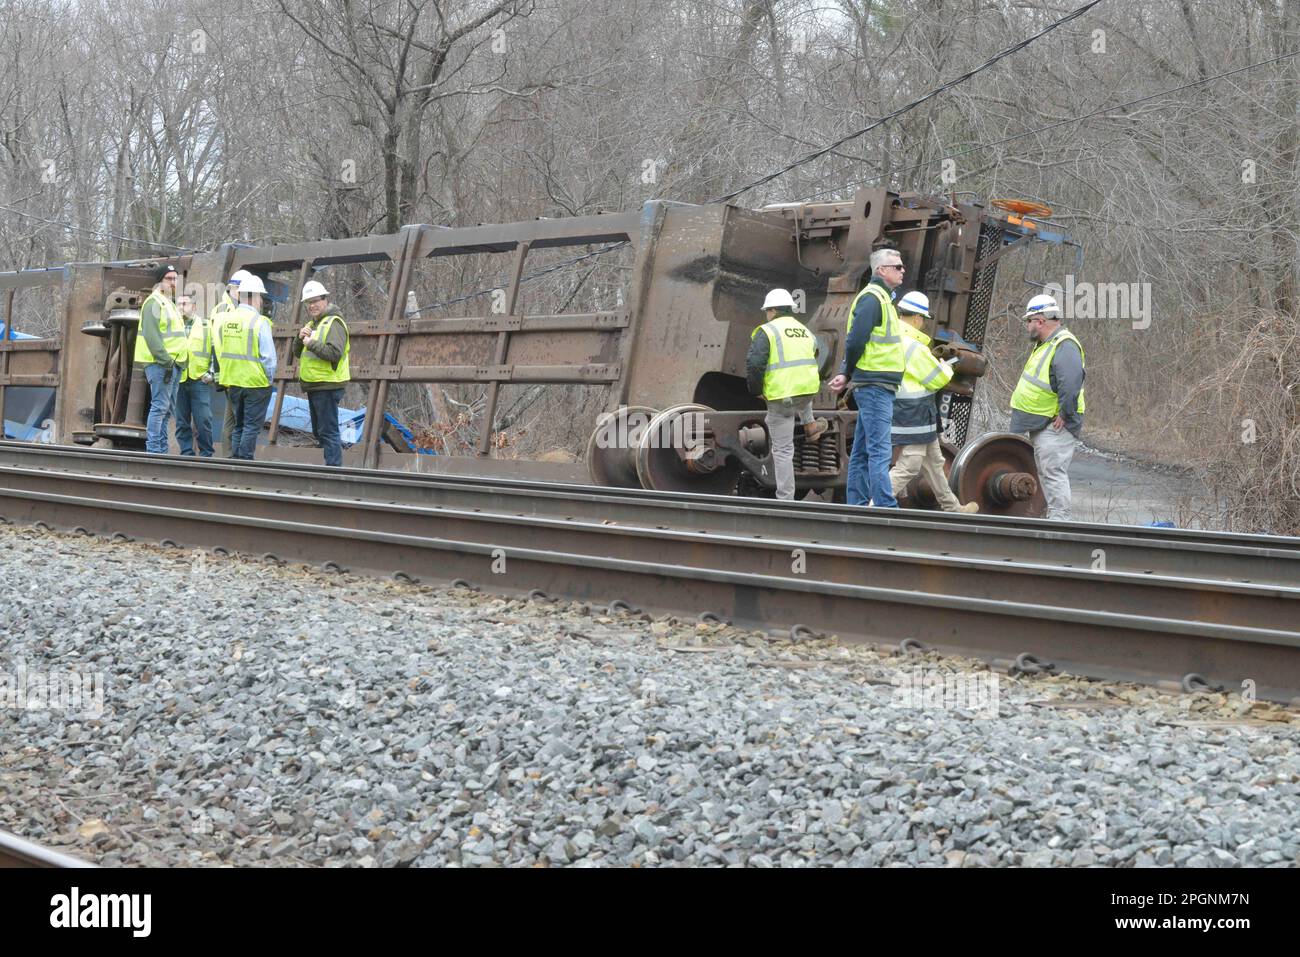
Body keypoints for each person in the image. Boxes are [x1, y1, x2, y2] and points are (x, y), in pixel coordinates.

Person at [829, 248, 907, 507]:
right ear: (881, 270)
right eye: (897, 266)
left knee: (862, 452)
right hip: (874, 385)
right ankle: (886, 505)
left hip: (875, 384)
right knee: (880, 450)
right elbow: (855, 341)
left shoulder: (882, 299)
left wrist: (846, 373)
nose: (902, 270)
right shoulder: (873, 299)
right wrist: (847, 372)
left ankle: (857, 504)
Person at [887, 291, 979, 513]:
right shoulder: (913, 346)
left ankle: (953, 508)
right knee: (910, 465)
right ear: (918, 318)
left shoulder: (890, 338)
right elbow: (935, 379)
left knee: (934, 462)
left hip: (912, 410)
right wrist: (946, 366)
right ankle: (873, 506)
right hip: (915, 411)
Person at [1009, 293, 1086, 521]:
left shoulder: (1065, 345)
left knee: (1053, 472)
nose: (1027, 326)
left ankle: (1060, 524)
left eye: (1029, 321)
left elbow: (1070, 384)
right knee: (1048, 471)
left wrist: (1065, 413)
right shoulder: (1047, 344)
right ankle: (1056, 521)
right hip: (1044, 421)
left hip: (1055, 423)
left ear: (1041, 321)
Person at [745, 288, 827, 500]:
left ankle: (786, 500)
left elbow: (754, 365)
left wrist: (756, 391)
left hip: (782, 397)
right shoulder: (805, 331)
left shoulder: (767, 331)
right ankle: (810, 424)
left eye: (767, 311)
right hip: (807, 391)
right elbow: (816, 356)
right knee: (801, 391)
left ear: (772, 310)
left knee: (782, 450)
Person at [215, 273, 276, 461]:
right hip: (255, 383)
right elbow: (269, 358)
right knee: (251, 426)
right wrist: (269, 379)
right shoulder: (259, 322)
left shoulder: (225, 320)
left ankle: (235, 459)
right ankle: (245, 461)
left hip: (233, 382)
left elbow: (220, 348)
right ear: (256, 297)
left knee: (239, 425)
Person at [292, 280, 350, 467]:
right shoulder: (313, 324)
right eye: (309, 302)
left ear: (325, 299)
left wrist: (311, 343)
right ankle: (332, 465)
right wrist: (300, 339)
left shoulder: (334, 323)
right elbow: (297, 353)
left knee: (328, 430)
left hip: (328, 384)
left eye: (316, 300)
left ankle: (333, 470)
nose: (312, 305)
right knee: (320, 431)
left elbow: (334, 353)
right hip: (315, 384)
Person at [133, 264, 188, 454]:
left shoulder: (168, 303)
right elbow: (151, 335)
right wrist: (166, 361)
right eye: (169, 278)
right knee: (159, 408)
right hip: (161, 365)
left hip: (172, 365)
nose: (173, 282)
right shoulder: (154, 302)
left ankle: (161, 452)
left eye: (175, 278)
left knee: (166, 411)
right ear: (160, 281)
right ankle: (154, 452)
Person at [213, 270, 252, 457]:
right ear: (234, 289)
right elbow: (221, 344)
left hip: (233, 371)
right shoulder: (226, 309)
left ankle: (229, 458)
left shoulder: (229, 308)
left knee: (231, 418)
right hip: (232, 372)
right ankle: (233, 459)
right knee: (238, 419)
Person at [174, 293, 215, 456]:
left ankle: (206, 454)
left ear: (194, 307)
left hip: (200, 380)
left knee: (203, 419)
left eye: (185, 303)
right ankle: (186, 453)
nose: (181, 307)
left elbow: (214, 352)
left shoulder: (206, 326)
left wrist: (211, 373)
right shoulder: (172, 327)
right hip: (179, 379)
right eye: (178, 304)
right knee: (181, 420)